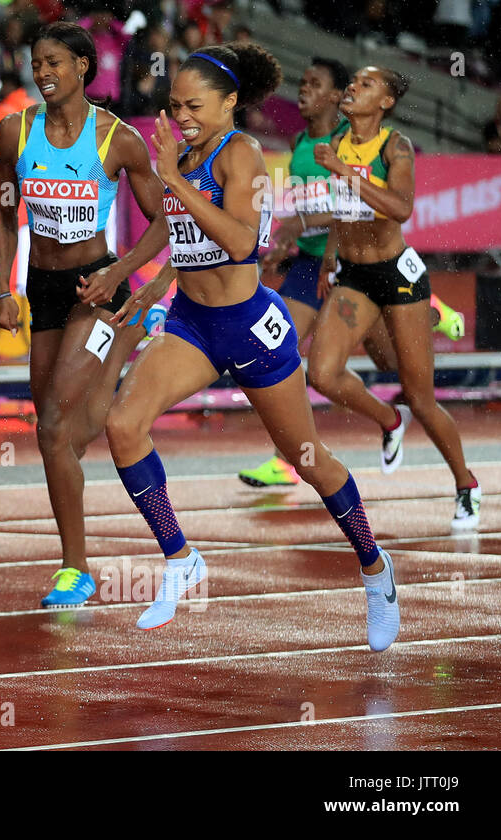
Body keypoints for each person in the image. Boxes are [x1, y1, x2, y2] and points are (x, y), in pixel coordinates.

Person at [103, 43, 400, 651]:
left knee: (308, 458)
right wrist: (153, 280)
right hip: (191, 323)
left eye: (193, 104)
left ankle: (373, 567)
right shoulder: (181, 154)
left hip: (249, 324)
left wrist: (173, 179)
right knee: (123, 424)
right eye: (173, 104)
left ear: (229, 102)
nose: (180, 114)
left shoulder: (246, 156)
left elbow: (241, 244)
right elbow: (183, 235)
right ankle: (181, 558)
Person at [0, 22, 174, 608]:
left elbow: (165, 223)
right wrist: (3, 289)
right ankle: (126, 344)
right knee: (58, 436)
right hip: (42, 288)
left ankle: (76, 568)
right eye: (35, 63)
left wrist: (120, 275)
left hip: (95, 289)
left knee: (50, 424)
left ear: (83, 68)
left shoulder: (117, 140)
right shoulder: (14, 133)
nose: (42, 74)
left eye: (54, 63)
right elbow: (3, 212)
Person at [239, 58, 464, 488]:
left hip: (380, 269)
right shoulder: (308, 142)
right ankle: (292, 456)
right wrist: (312, 250)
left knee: (403, 376)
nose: (303, 89)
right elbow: (334, 210)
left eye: (315, 84)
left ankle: (432, 318)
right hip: (330, 270)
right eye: (301, 82)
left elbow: (393, 208)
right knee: (294, 357)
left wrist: (310, 222)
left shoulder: (383, 145)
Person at [307, 66, 480, 530]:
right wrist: (329, 256)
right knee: (321, 373)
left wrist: (344, 170)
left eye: (366, 84)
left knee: (421, 397)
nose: (352, 88)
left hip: (399, 278)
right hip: (356, 277)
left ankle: (465, 482)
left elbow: (401, 207)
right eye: (353, 81)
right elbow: (345, 208)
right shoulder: (339, 138)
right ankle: (387, 420)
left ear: (385, 102)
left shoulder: (394, 145)